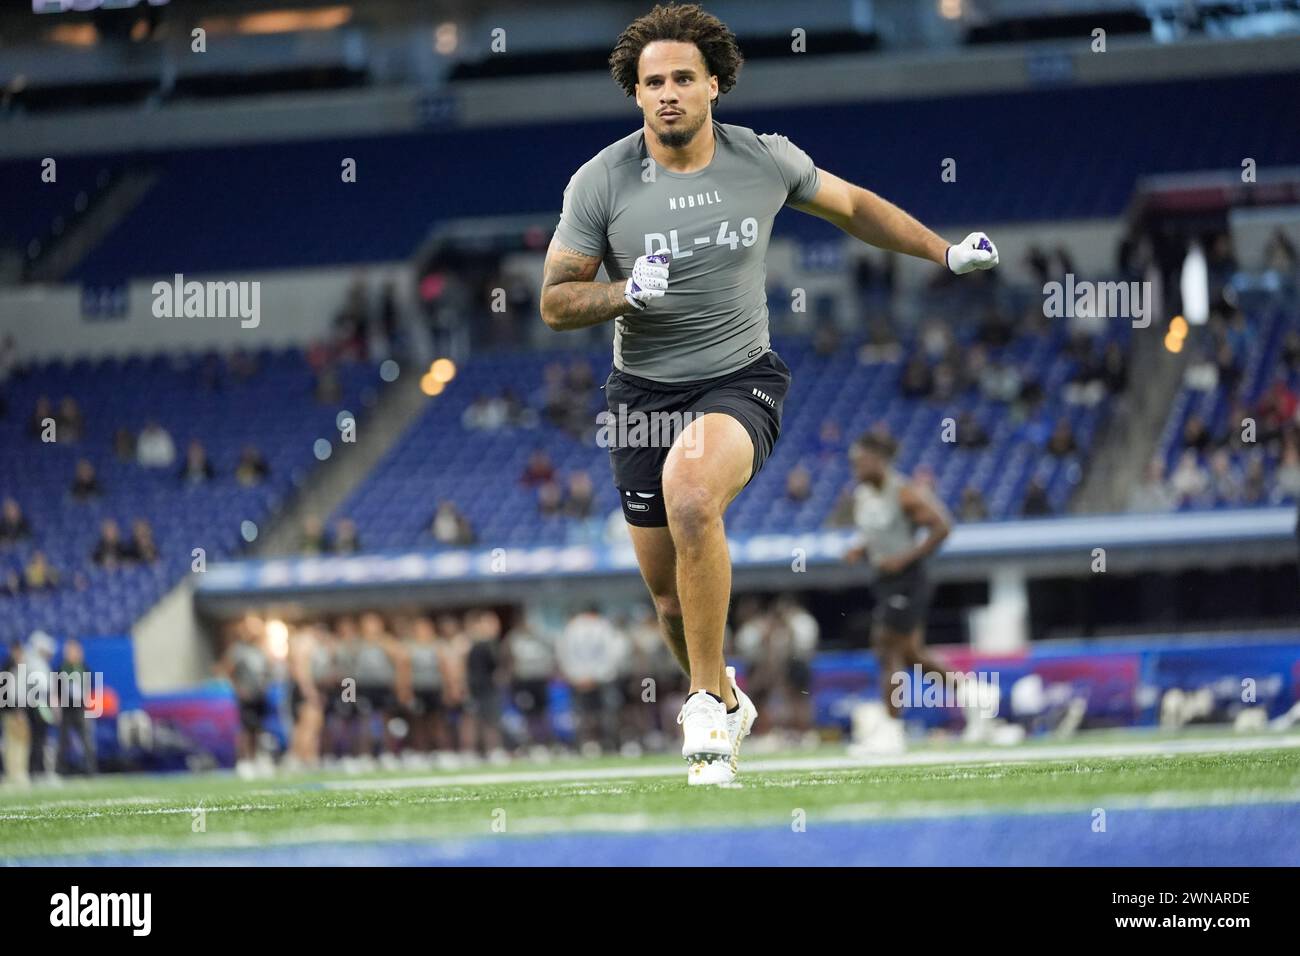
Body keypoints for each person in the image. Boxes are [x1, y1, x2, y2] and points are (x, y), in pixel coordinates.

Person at [538, 2, 998, 785]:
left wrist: (944, 252)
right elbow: (553, 302)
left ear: (714, 83)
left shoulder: (764, 158)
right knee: (669, 600)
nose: (669, 93)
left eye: (684, 77)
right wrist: (620, 293)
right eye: (653, 83)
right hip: (640, 395)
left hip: (737, 379)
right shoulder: (600, 181)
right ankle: (724, 690)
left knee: (691, 494)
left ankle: (704, 708)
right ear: (636, 94)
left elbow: (855, 208)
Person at [842, 432, 955, 753]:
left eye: (860, 460)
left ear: (878, 460)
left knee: (885, 646)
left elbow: (942, 526)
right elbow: (878, 532)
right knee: (912, 655)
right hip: (885, 580)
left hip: (908, 579)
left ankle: (891, 729)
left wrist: (904, 558)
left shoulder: (903, 492)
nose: (854, 466)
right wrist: (859, 549)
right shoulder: (862, 495)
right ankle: (976, 696)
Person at [55, 639, 96, 775]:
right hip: (66, 709)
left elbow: (89, 687)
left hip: (80, 708)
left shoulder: (84, 667)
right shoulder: (61, 668)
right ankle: (60, 770)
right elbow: (57, 689)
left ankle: (90, 769)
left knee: (86, 739)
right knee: (63, 741)